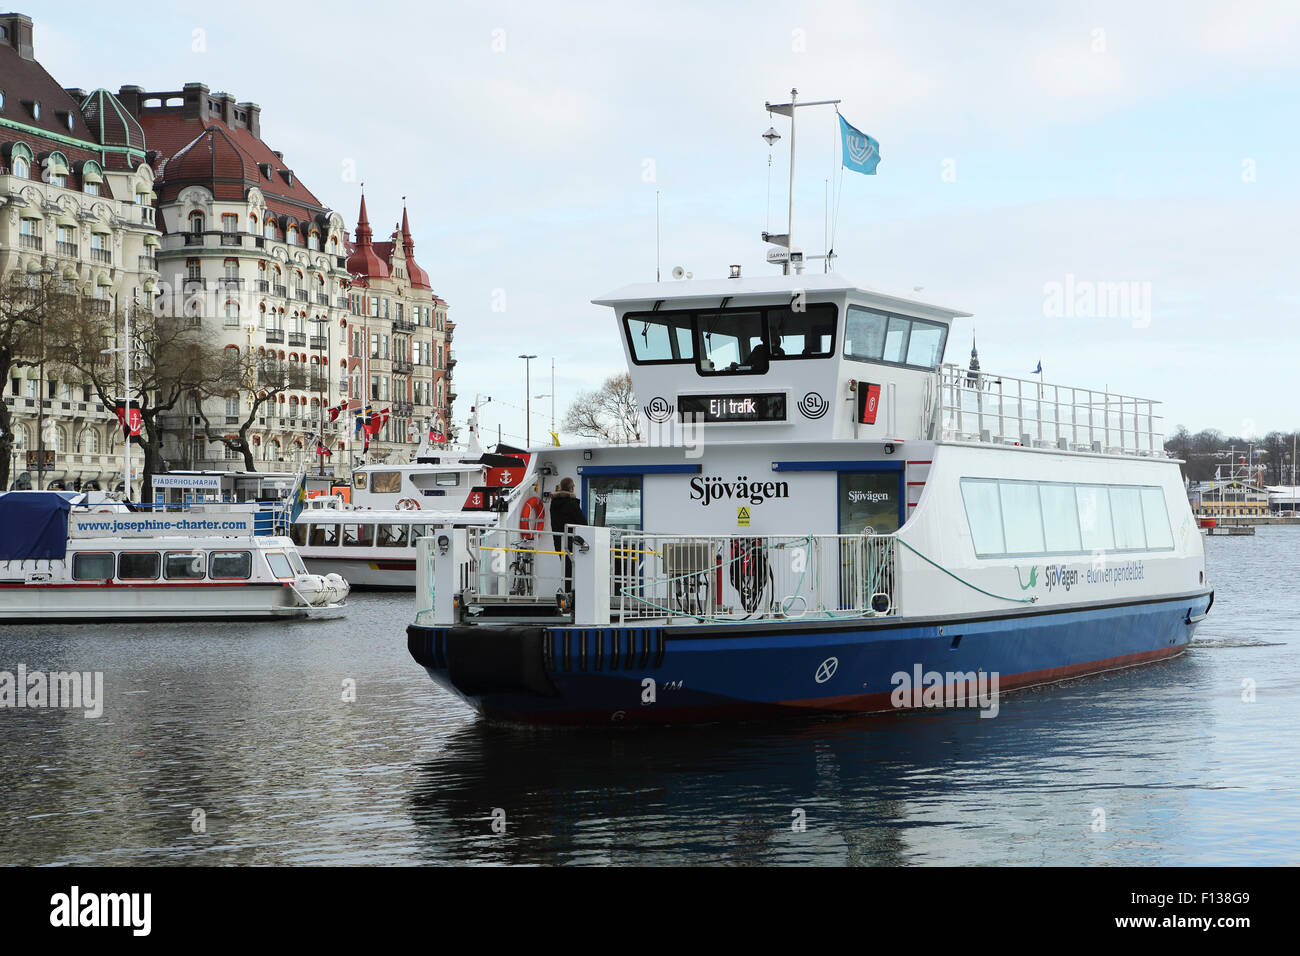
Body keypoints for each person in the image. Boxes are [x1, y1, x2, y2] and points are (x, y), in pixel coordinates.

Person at [549, 477, 588, 593]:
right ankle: (572, 595)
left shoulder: (553, 503)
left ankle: (567, 595)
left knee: (566, 570)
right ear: (571, 488)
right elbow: (583, 523)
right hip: (572, 544)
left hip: (559, 542)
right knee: (573, 571)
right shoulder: (571, 504)